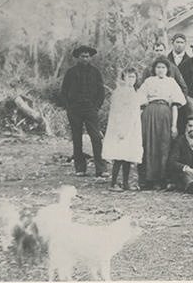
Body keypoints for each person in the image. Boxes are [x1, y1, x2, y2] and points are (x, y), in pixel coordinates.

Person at [135, 57, 186, 190]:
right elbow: (140, 100)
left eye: (163, 67)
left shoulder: (171, 82)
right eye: (158, 67)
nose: (161, 70)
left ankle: (161, 179)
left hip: (165, 115)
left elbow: (175, 105)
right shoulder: (149, 81)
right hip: (149, 114)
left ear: (167, 69)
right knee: (148, 145)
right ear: (154, 69)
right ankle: (147, 179)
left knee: (163, 145)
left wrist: (174, 125)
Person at [61, 45, 107, 177]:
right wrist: (69, 107)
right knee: (77, 139)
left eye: (87, 56)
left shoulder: (95, 72)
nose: (85, 59)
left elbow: (101, 91)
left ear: (90, 57)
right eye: (82, 56)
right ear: (78, 57)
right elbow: (64, 91)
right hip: (75, 110)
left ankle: (101, 168)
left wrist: (96, 107)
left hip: (90, 109)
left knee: (96, 138)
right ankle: (80, 168)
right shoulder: (71, 73)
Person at [102, 67, 143, 191]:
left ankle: (125, 183)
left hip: (132, 128)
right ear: (124, 78)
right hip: (122, 127)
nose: (131, 80)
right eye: (129, 77)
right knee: (119, 156)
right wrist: (121, 129)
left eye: (133, 77)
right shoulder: (120, 92)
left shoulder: (134, 92)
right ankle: (113, 183)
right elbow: (117, 112)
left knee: (128, 156)